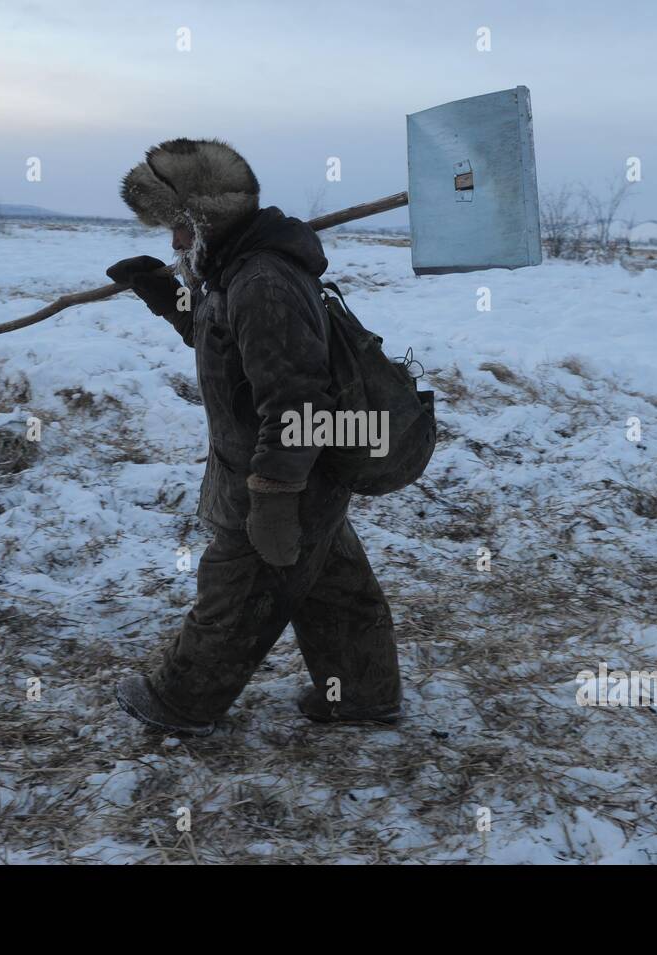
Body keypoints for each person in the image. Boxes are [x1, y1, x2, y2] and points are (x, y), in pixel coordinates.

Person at [110, 138, 402, 737]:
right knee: (332, 587)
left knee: (235, 592)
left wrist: (272, 496)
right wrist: (169, 298)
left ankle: (181, 702)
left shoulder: (262, 281)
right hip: (300, 469)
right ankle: (361, 693)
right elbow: (227, 342)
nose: (172, 244)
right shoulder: (236, 271)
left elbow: (296, 398)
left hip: (279, 472)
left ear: (203, 221)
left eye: (177, 229)